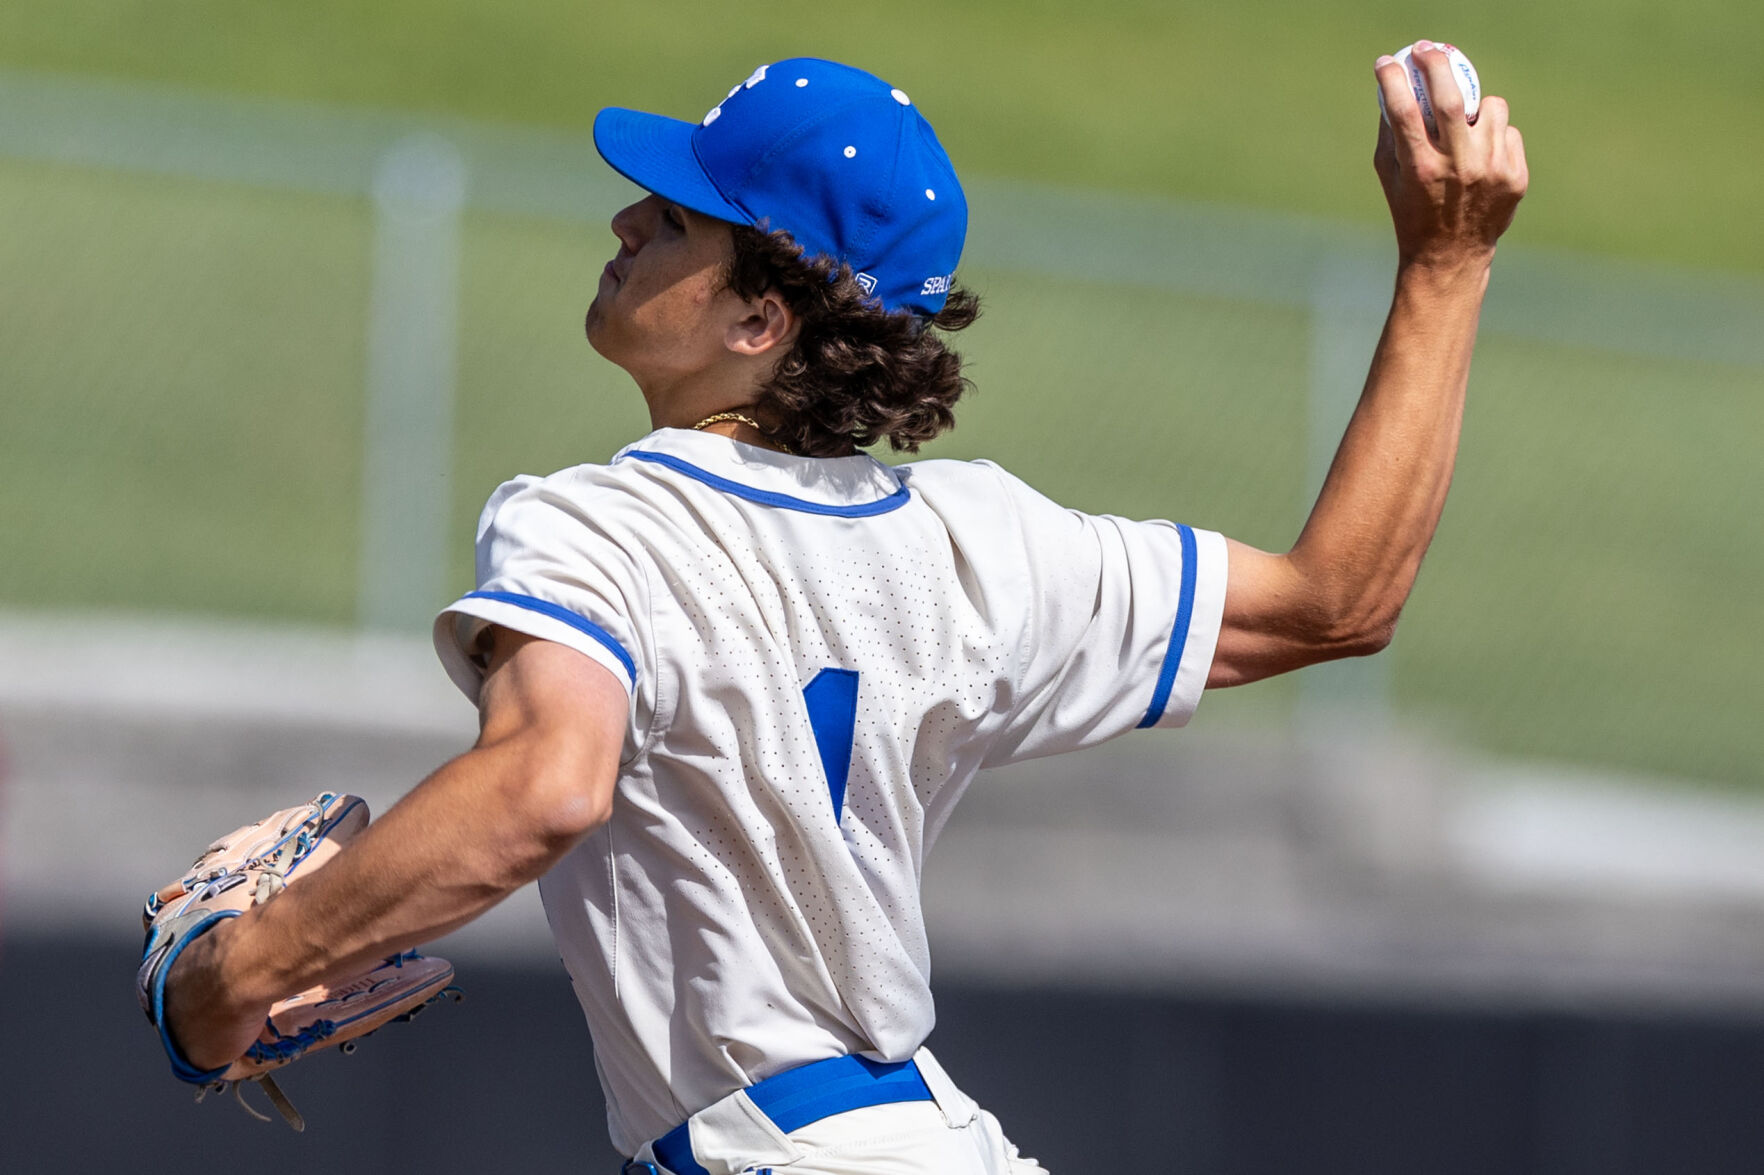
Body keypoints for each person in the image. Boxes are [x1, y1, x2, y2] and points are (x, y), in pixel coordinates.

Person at [160, 50, 1526, 1174]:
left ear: (764, 316)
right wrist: (1445, 268)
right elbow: (1338, 600)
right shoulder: (979, 543)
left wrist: (245, 973)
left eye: (678, 218)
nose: (628, 221)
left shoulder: (593, 522)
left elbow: (544, 785)